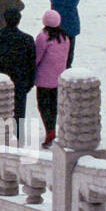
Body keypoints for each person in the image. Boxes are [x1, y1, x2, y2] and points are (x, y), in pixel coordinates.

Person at [0, 8, 37, 143]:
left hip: (0, 82)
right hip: (20, 82)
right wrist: (29, 83)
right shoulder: (27, 39)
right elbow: (32, 65)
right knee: (19, 113)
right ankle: (18, 138)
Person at [34, 11, 71, 148]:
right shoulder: (65, 37)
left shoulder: (43, 37)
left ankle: (50, 130)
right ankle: (53, 129)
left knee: (43, 105)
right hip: (58, 78)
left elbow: (37, 57)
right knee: (54, 106)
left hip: (44, 78)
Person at [47, 0, 83, 67]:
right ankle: (67, 68)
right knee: (69, 52)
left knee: (55, 49)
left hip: (56, 22)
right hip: (71, 24)